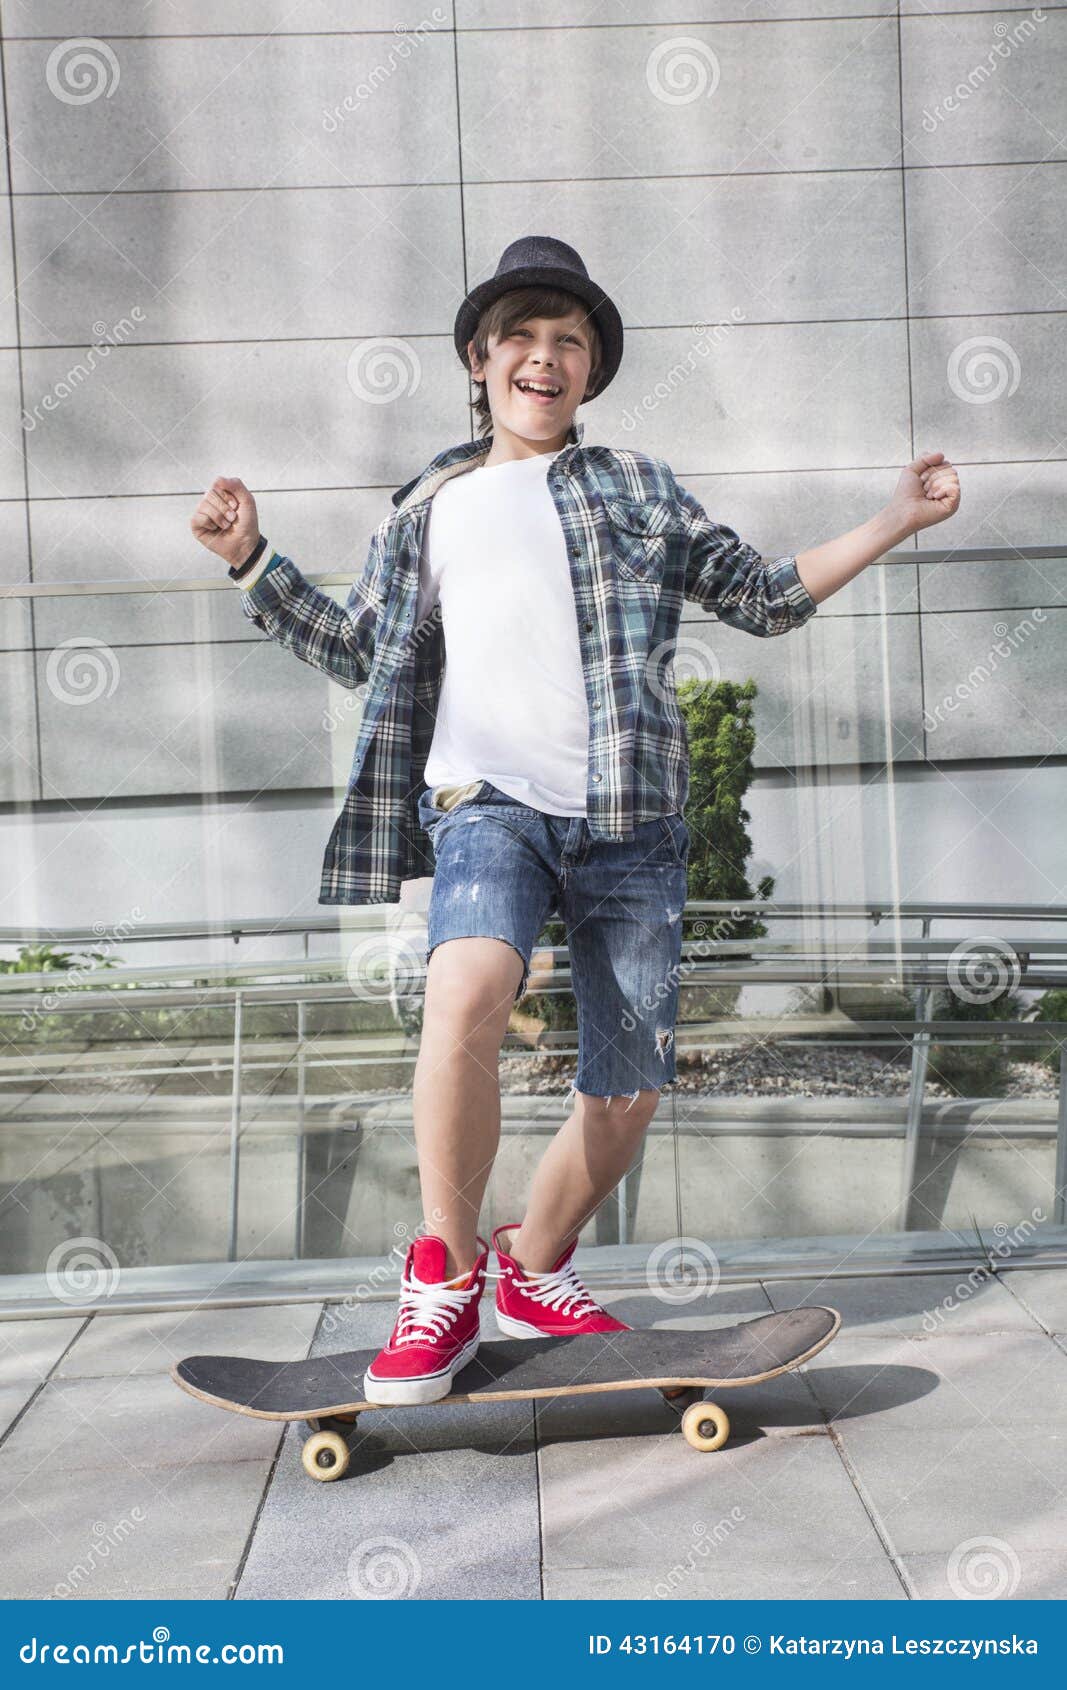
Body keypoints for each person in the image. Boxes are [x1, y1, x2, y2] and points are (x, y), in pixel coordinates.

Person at [191, 235, 960, 1406]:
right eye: (523, 339)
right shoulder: (426, 508)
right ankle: (442, 1280)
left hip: (628, 821)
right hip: (484, 808)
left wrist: (891, 519)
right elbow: (358, 646)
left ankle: (531, 1267)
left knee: (624, 1089)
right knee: (466, 988)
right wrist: (252, 560)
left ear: (588, 373)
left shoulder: (637, 486)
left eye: (569, 343)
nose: (544, 358)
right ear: (478, 360)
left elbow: (756, 597)